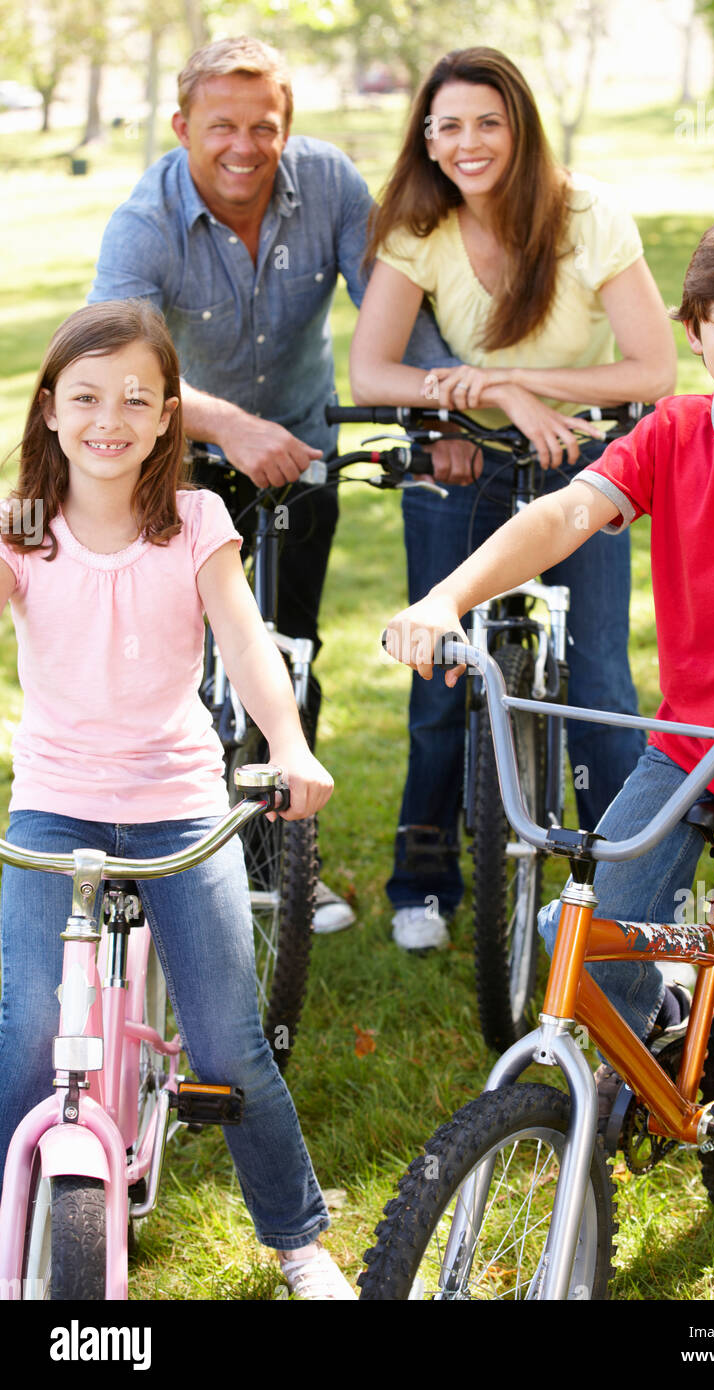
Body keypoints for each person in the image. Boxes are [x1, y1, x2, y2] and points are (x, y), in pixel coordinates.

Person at [385, 206, 714, 1299]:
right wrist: (447, 594)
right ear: (692, 329)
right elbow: (564, 513)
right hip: (695, 742)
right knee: (583, 924)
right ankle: (644, 1013)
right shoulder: (673, 431)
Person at [0, 300, 356, 1298]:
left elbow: (243, 641)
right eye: (86, 397)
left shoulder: (194, 518)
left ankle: (295, 1239)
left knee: (228, 1039)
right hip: (56, 806)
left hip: (175, 799)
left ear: (167, 419)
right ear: (49, 407)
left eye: (135, 399)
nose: (108, 419)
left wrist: (287, 743)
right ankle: (14, 1213)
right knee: (23, 1025)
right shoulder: (22, 524)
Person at [88, 36, 455, 934]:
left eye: (265, 126)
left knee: (288, 651)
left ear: (288, 128)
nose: (244, 146)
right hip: (178, 452)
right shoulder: (146, 220)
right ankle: (151, 855)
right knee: (162, 662)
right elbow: (111, 362)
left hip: (299, 448)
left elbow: (389, 302)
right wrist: (232, 426)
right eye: (221, 126)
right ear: (181, 127)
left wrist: (443, 406)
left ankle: (285, 864)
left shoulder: (328, 183)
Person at [350, 47, 677, 952]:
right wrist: (499, 396)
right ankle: (422, 881)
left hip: (583, 462)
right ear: (426, 137)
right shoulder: (420, 225)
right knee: (439, 673)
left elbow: (654, 366)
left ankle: (629, 884)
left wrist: (518, 378)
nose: (468, 143)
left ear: (520, 127)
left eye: (488, 122)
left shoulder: (587, 214)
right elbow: (371, 369)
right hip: (467, 460)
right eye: (448, 125)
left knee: (602, 682)